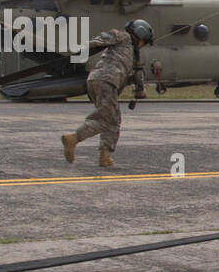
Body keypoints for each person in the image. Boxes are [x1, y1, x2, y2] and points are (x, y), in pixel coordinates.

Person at [61, 19, 154, 167]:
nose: (144, 45)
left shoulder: (133, 54)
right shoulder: (123, 37)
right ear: (140, 34)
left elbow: (133, 76)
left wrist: (139, 89)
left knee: (114, 119)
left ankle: (105, 156)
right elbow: (100, 40)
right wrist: (80, 52)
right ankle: (73, 138)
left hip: (99, 81)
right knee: (105, 119)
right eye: (145, 41)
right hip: (106, 81)